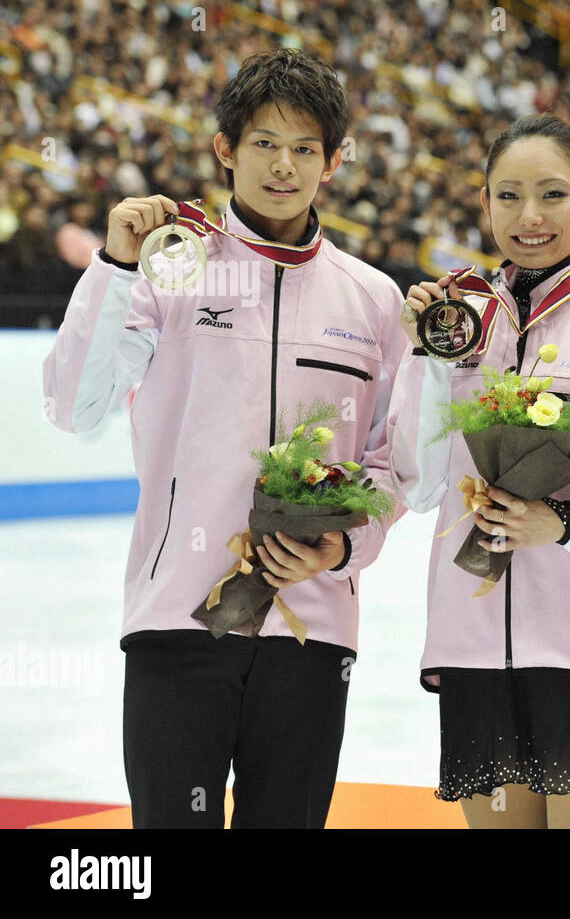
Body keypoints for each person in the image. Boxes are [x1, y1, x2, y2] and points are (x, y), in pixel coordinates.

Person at [42, 49, 409, 828]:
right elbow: (75, 406)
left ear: (333, 161)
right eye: (264, 143)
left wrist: (344, 548)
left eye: (304, 148)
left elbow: (392, 463)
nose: (283, 166)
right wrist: (113, 267)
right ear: (225, 149)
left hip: (311, 631)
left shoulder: (374, 300)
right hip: (179, 619)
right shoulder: (170, 270)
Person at [387, 114, 570, 829]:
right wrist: (428, 359)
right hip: (473, 640)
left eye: (553, 194)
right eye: (509, 196)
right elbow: (417, 484)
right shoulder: (453, 325)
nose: (530, 217)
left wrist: (566, 524)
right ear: (484, 203)